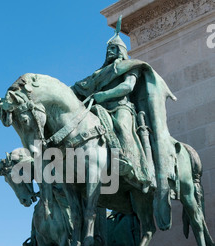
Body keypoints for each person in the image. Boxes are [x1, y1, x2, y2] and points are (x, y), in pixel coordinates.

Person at [71, 16, 178, 231]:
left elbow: (128, 88)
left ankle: (134, 167)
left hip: (121, 108)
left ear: (122, 50)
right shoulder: (99, 73)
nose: (111, 52)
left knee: (122, 129)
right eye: (108, 49)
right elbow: (80, 87)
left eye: (114, 48)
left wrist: (102, 95)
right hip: (97, 108)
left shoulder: (130, 67)